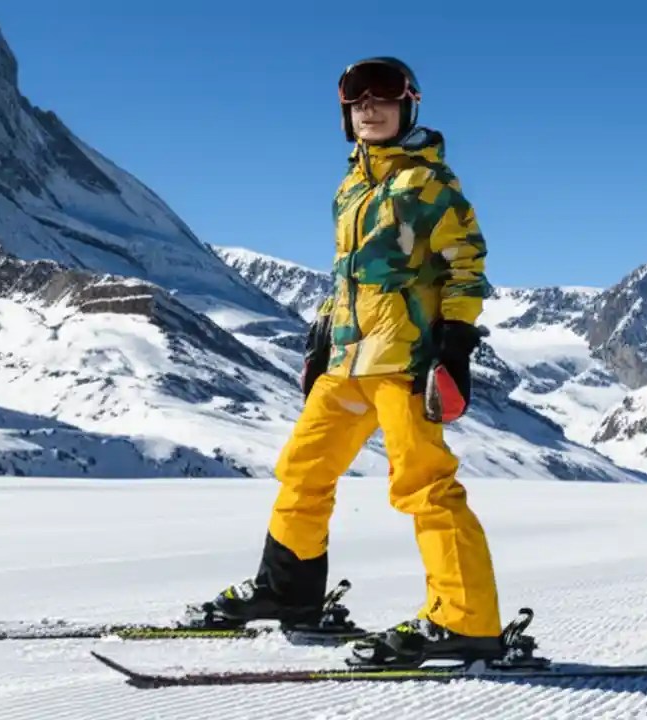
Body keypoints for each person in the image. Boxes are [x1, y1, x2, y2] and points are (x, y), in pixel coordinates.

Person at [189, 57, 504, 666]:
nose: (369, 109)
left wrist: (454, 344)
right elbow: (347, 275)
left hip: (405, 359)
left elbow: (467, 268)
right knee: (303, 470)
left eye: (382, 98)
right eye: (357, 102)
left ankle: (466, 621)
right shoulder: (351, 189)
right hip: (348, 361)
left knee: (424, 486)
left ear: (408, 106)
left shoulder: (430, 185)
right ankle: (289, 593)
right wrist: (322, 335)